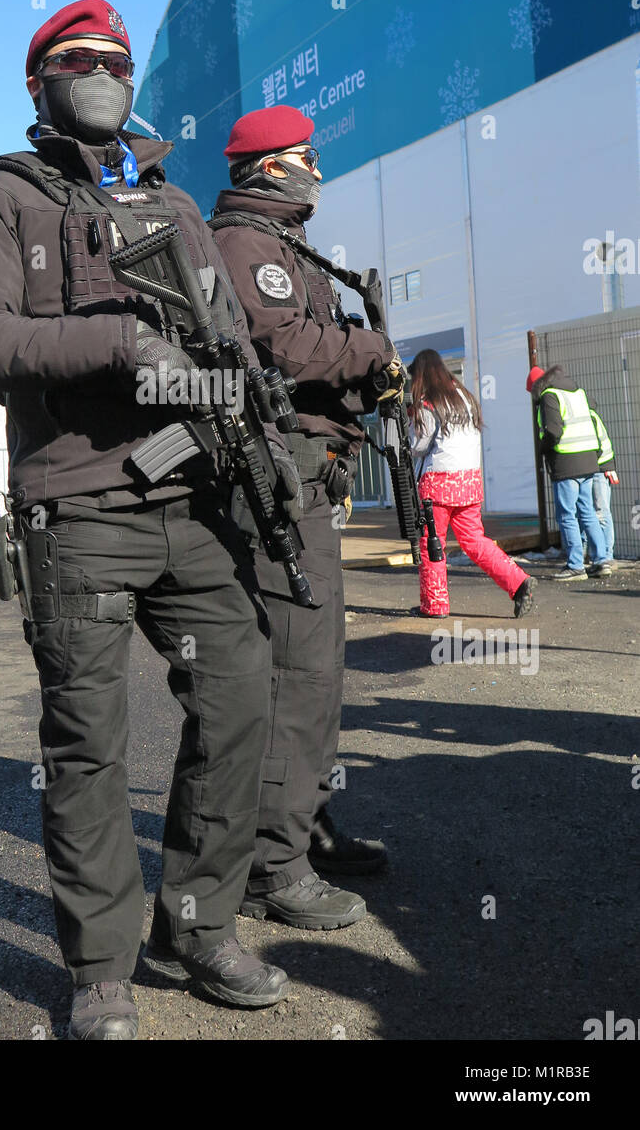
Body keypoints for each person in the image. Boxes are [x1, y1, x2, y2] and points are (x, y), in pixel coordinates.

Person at [0, 0, 298, 1040]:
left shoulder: (177, 206)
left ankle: (195, 925)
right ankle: (100, 970)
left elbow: (230, 340)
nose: (99, 72)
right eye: (76, 59)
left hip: (195, 495)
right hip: (78, 502)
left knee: (240, 705)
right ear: (40, 81)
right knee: (89, 743)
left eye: (114, 61)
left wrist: (255, 427)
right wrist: (116, 344)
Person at [209, 105, 401, 931]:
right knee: (299, 673)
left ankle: (307, 828)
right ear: (270, 168)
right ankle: (272, 865)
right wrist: (375, 355)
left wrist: (365, 377)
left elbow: (309, 352)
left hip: (311, 477)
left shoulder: (286, 247)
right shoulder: (247, 246)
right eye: (306, 158)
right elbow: (285, 342)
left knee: (319, 666)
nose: (317, 170)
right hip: (278, 479)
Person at [411, 351, 535, 618]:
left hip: (438, 486)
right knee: (474, 540)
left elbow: (418, 446)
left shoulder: (429, 403)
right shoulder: (465, 397)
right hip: (469, 482)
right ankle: (519, 582)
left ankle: (435, 606)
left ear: (421, 375)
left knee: (432, 543)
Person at [526, 365, 611, 580]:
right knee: (587, 512)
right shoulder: (576, 391)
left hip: (566, 462)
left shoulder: (549, 395)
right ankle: (601, 561)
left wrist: (543, 449)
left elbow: (554, 431)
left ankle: (575, 565)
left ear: (536, 387)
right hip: (589, 461)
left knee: (567, 515)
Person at [589, 406, 618, 564]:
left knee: (601, 513)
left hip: (599, 468)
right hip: (600, 467)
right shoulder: (591, 415)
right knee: (600, 512)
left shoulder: (589, 417)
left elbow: (596, 446)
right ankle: (603, 554)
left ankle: (606, 555)